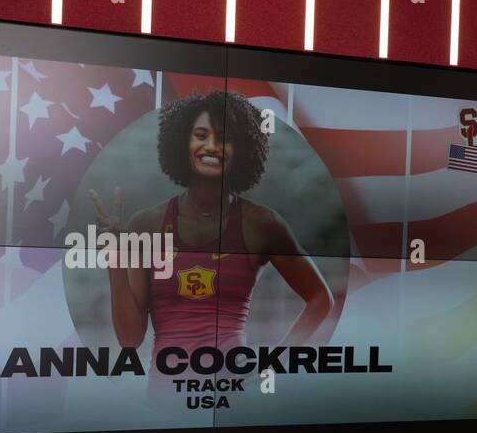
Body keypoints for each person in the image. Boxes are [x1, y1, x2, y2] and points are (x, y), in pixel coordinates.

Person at [90, 90, 333, 356]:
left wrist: (275, 362)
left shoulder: (261, 223)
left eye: (224, 138)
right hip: (165, 395)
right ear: (183, 143)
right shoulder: (148, 223)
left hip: (238, 394)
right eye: (201, 135)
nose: (211, 147)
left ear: (240, 149)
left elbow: (320, 298)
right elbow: (130, 339)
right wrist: (115, 259)